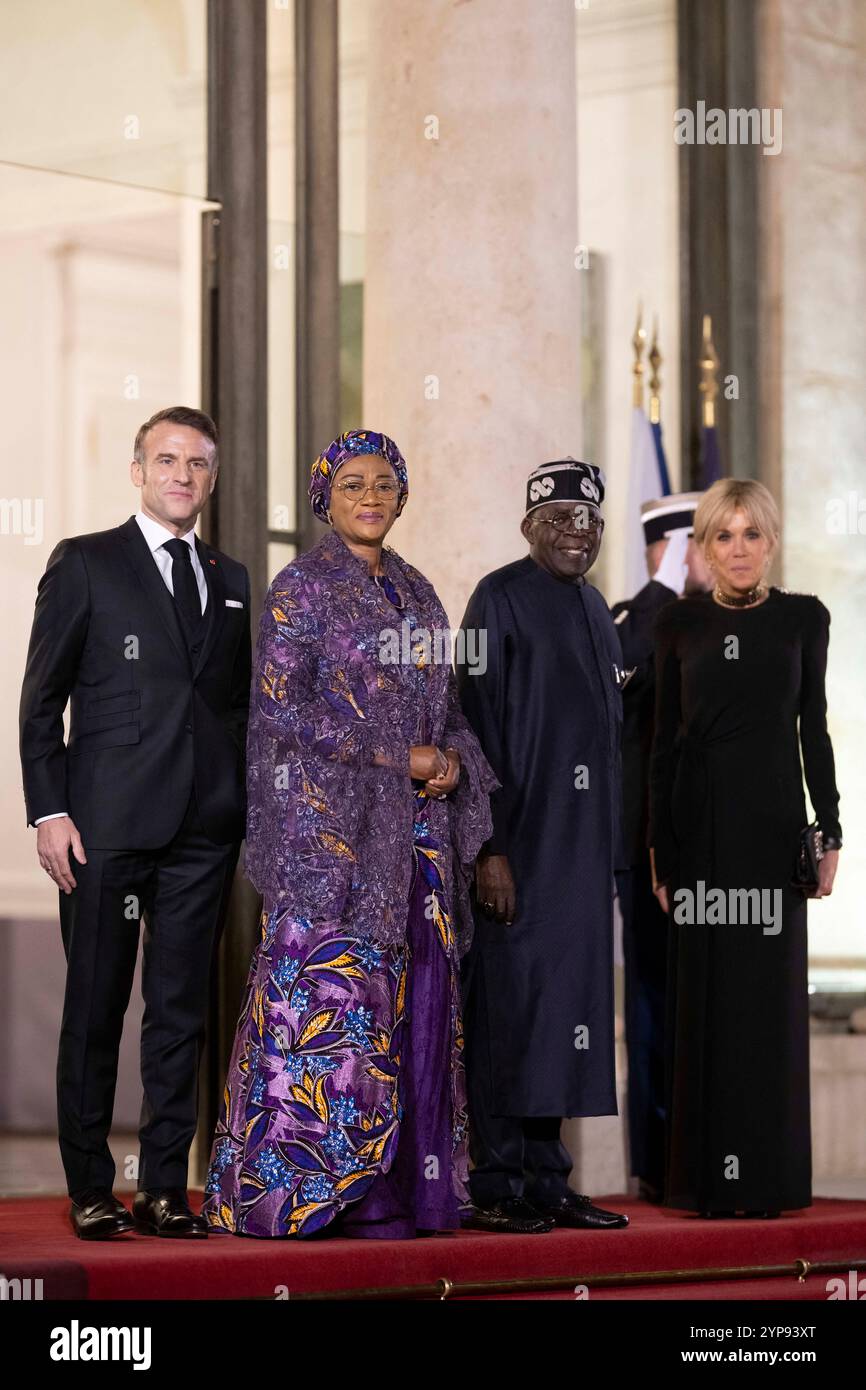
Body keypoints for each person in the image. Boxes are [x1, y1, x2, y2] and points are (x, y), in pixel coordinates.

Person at [203, 429, 496, 1239]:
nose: (370, 496)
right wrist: (395, 754)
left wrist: (450, 762)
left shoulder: (419, 591)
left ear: (402, 495)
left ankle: (398, 1194)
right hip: (331, 846)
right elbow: (278, 714)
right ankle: (301, 1195)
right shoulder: (304, 587)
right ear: (326, 497)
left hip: (415, 843)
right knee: (330, 1008)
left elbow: (449, 711)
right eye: (353, 484)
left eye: (384, 483)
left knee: (413, 1010)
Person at [19, 406, 251, 1240]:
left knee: (179, 1014)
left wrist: (240, 809)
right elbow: (41, 700)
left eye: (196, 463)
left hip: (202, 836)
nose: (181, 475)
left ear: (211, 478)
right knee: (94, 1010)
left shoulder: (231, 577)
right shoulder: (85, 563)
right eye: (166, 459)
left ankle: (161, 1189)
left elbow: (231, 707)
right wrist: (49, 812)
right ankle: (90, 1187)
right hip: (103, 828)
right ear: (139, 470)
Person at [649, 478, 841, 1217]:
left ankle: (769, 1179)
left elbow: (814, 733)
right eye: (723, 536)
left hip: (773, 837)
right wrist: (664, 854)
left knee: (766, 1008)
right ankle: (707, 1182)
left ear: (770, 542)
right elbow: (663, 747)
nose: (738, 549)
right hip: (699, 838)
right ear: (703, 546)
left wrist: (830, 834)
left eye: (751, 534)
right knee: (708, 1005)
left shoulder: (804, 619)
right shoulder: (678, 625)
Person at [456, 459, 629, 1234]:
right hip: (518, 850)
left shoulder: (595, 608)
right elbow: (472, 724)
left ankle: (547, 1178)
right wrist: (487, 847)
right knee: (509, 1014)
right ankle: (496, 1182)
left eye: (588, 522)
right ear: (528, 526)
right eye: (558, 519)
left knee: (566, 1014)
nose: (576, 534)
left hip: (582, 859)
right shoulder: (498, 597)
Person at [610, 493, 710, 1202]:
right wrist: (658, 592)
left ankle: (715, 1150)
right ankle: (660, 1163)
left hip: (723, 852)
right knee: (654, 1004)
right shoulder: (632, 621)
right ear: (668, 550)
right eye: (701, 542)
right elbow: (620, 679)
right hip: (648, 853)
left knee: (715, 1004)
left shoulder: (731, 625)